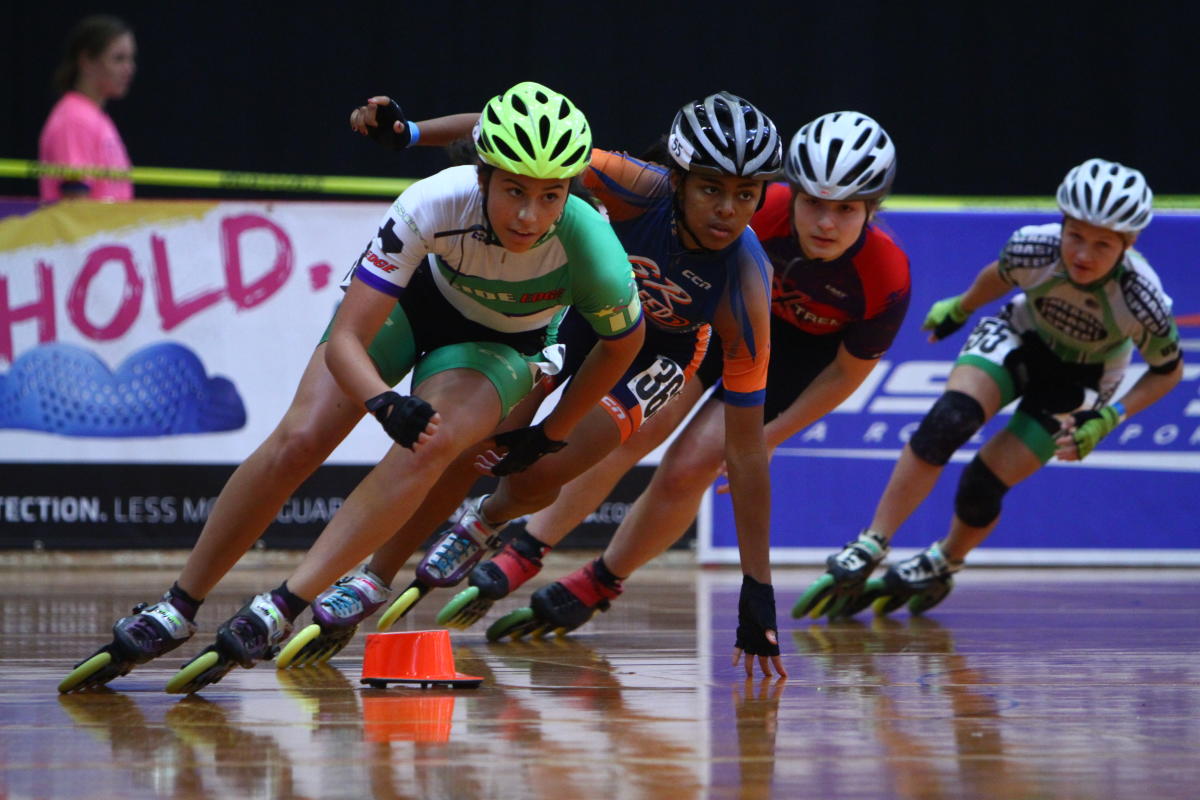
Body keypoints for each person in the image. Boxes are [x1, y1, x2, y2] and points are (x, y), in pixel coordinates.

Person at [58, 81, 644, 693]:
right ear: (482, 175)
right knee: (301, 437)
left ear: (570, 192)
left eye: (550, 196)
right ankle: (178, 604)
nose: (529, 215)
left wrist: (552, 433)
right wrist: (380, 399)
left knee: (432, 442)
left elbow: (621, 345)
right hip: (420, 304)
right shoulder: (431, 202)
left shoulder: (592, 246)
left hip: (501, 345)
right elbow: (347, 342)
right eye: (514, 191)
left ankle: (283, 604)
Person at [281, 90, 787, 678]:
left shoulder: (748, 285)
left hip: (660, 348)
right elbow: (514, 136)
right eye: (710, 189)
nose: (728, 209)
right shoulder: (635, 184)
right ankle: (376, 574)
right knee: (479, 440)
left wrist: (758, 585)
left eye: (745, 195)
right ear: (676, 180)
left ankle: (488, 521)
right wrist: (416, 133)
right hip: (586, 308)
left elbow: (745, 449)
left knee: (543, 471)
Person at [461, 111, 909, 672]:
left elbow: (845, 376)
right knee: (626, 429)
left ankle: (601, 579)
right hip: (708, 327)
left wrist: (770, 437)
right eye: (813, 202)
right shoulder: (750, 210)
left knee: (691, 464)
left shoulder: (886, 275)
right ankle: (529, 545)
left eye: (845, 208)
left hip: (793, 361)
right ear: (788, 191)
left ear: (872, 209)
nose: (824, 221)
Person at [794, 157, 1183, 620]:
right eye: (1075, 235)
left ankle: (944, 561)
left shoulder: (1144, 299)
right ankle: (871, 542)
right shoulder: (1032, 248)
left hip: (1084, 376)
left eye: (1102, 244)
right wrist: (960, 307)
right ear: (1062, 223)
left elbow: (1168, 372)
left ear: (1129, 244)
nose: (1082, 255)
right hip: (1023, 337)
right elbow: (998, 277)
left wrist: (1110, 416)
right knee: (947, 422)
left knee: (983, 484)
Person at [39, 15, 136, 201]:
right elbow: (75, 203)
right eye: (119, 59)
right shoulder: (74, 118)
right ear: (86, 61)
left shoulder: (96, 117)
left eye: (131, 59)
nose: (129, 68)